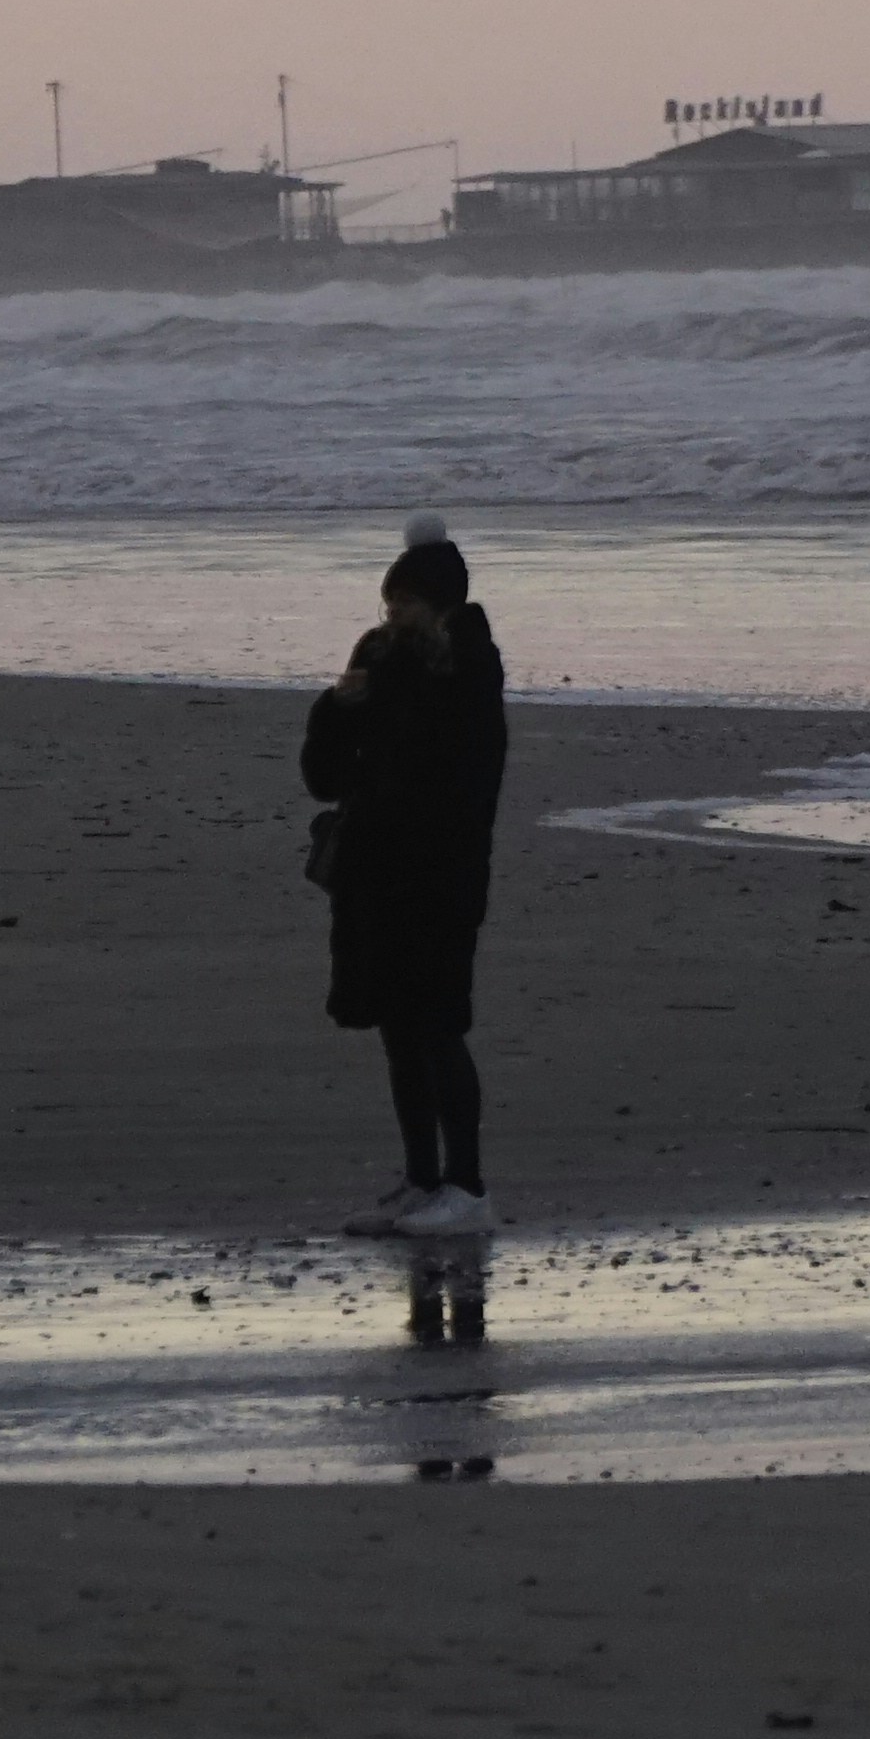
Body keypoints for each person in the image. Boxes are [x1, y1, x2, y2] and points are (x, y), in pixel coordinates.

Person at [305, 518, 508, 1241]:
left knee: (438, 1028)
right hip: (374, 878)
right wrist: (336, 708)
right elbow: (323, 779)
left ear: (440, 605)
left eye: (406, 608)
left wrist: (391, 697)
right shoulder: (380, 659)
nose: (393, 620)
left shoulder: (472, 667)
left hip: (441, 879)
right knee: (397, 1031)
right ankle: (423, 1181)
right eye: (388, 608)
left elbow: (460, 781)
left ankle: (469, 1186)